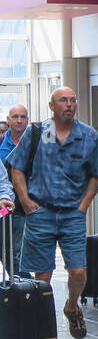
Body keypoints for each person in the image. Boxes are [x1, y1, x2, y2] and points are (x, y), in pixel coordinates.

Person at [8, 88, 98, 339]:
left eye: (73, 100)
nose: (69, 105)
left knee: (78, 272)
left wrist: (83, 206)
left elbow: (97, 174)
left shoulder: (88, 136)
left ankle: (72, 306)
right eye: (63, 100)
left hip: (72, 214)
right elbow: (16, 168)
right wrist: (26, 201)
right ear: (52, 105)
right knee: (42, 277)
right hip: (41, 213)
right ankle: (41, 325)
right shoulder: (37, 132)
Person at [0, 104, 30, 268]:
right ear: (8, 120)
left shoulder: (37, 143)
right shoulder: (1, 145)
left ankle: (20, 290)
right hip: (7, 211)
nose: (19, 121)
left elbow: (3, 182)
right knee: (6, 249)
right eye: (15, 117)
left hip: (21, 208)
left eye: (23, 117)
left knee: (16, 250)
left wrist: (5, 197)